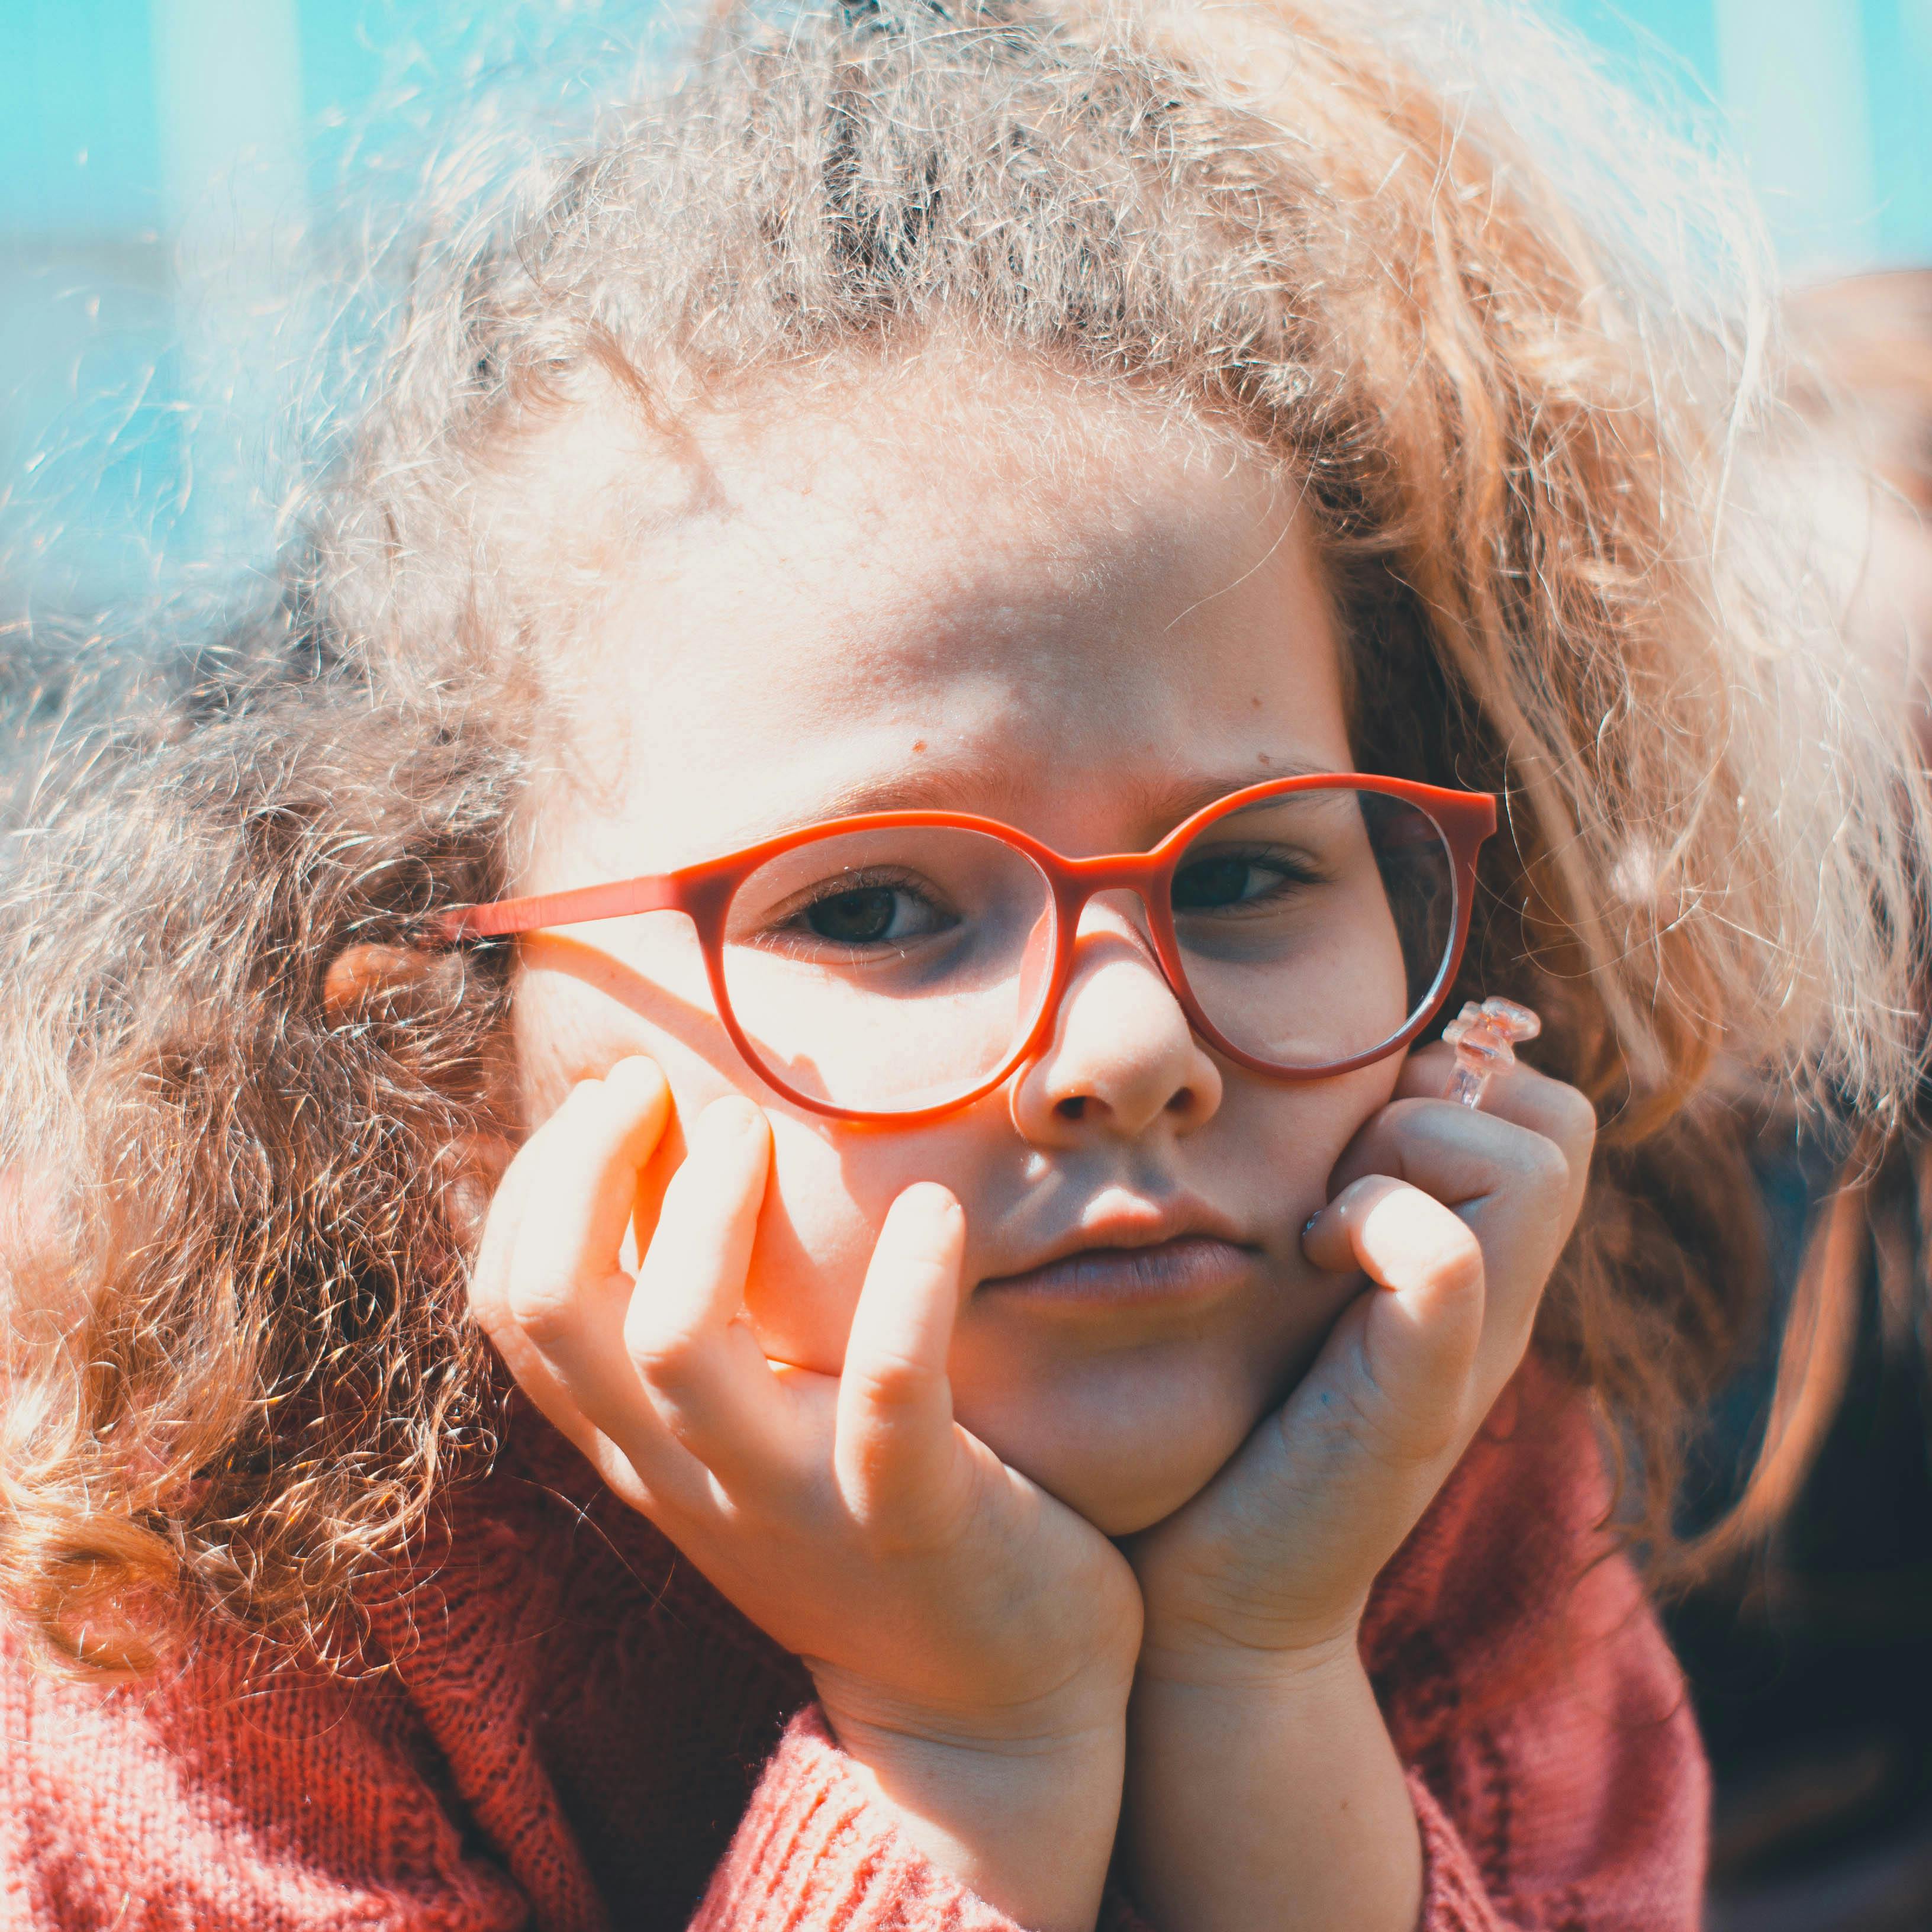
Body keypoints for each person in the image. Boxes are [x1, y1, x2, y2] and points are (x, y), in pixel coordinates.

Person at [0, 3, 1922, 1928]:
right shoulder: (197, 1610)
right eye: (875, 909)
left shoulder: (1443, 1448)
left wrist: (1266, 1668)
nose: (1132, 1043)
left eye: (1250, 872)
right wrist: (963, 1738)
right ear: (439, 1055)